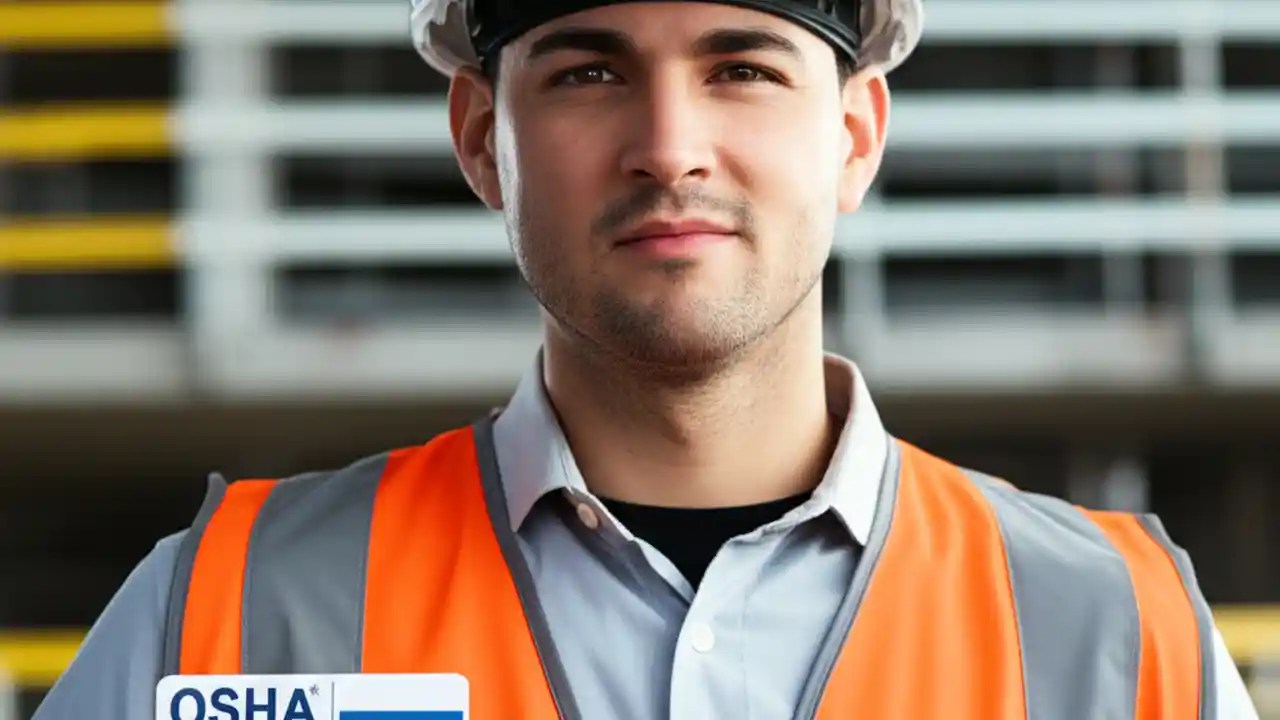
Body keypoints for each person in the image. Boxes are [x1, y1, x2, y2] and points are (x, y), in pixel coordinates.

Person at [36, 1, 1258, 718]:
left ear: (851, 135)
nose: (668, 147)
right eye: (587, 73)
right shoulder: (220, 613)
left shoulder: (1119, 633)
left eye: (739, 69)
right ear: (479, 139)